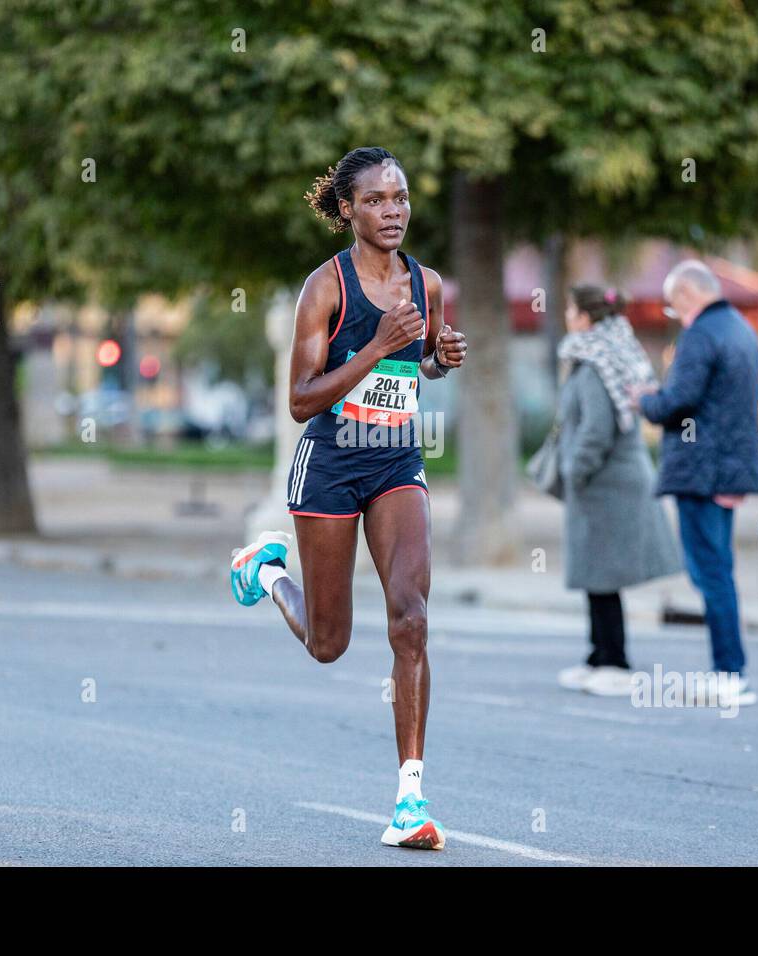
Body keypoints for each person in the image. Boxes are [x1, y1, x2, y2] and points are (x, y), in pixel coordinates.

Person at [228, 147, 466, 849]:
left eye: (400, 198)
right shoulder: (323, 289)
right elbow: (301, 400)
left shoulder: (428, 282)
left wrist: (436, 360)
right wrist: (373, 347)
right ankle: (266, 572)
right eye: (375, 201)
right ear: (346, 211)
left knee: (412, 618)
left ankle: (410, 800)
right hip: (331, 463)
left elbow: (416, 362)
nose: (393, 211)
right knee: (330, 645)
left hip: (394, 458)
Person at [630, 260, 758, 706]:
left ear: (687, 295)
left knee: (710, 571)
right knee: (719, 567)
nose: (674, 315)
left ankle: (729, 672)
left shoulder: (702, 334)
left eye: (673, 306)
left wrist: (646, 402)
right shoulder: (741, 329)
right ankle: (731, 668)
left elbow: (679, 401)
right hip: (729, 467)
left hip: (702, 471)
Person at [554, 285, 682, 696]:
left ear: (586, 317)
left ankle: (614, 660)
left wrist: (575, 470)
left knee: (603, 573)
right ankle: (598, 655)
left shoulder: (594, 361)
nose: (568, 316)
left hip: (606, 482)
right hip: (610, 480)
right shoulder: (611, 350)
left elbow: (597, 427)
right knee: (599, 573)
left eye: (571, 308)